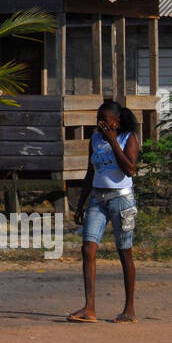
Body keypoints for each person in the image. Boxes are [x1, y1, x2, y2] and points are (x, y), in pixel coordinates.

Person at [68, 99, 140, 323]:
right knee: (88, 249)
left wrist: (113, 142)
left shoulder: (128, 138)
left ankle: (129, 309)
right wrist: (80, 204)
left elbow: (129, 169)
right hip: (97, 200)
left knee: (124, 252)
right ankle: (89, 308)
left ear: (116, 122)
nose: (100, 122)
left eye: (104, 119)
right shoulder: (95, 139)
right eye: (98, 118)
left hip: (121, 200)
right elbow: (91, 172)